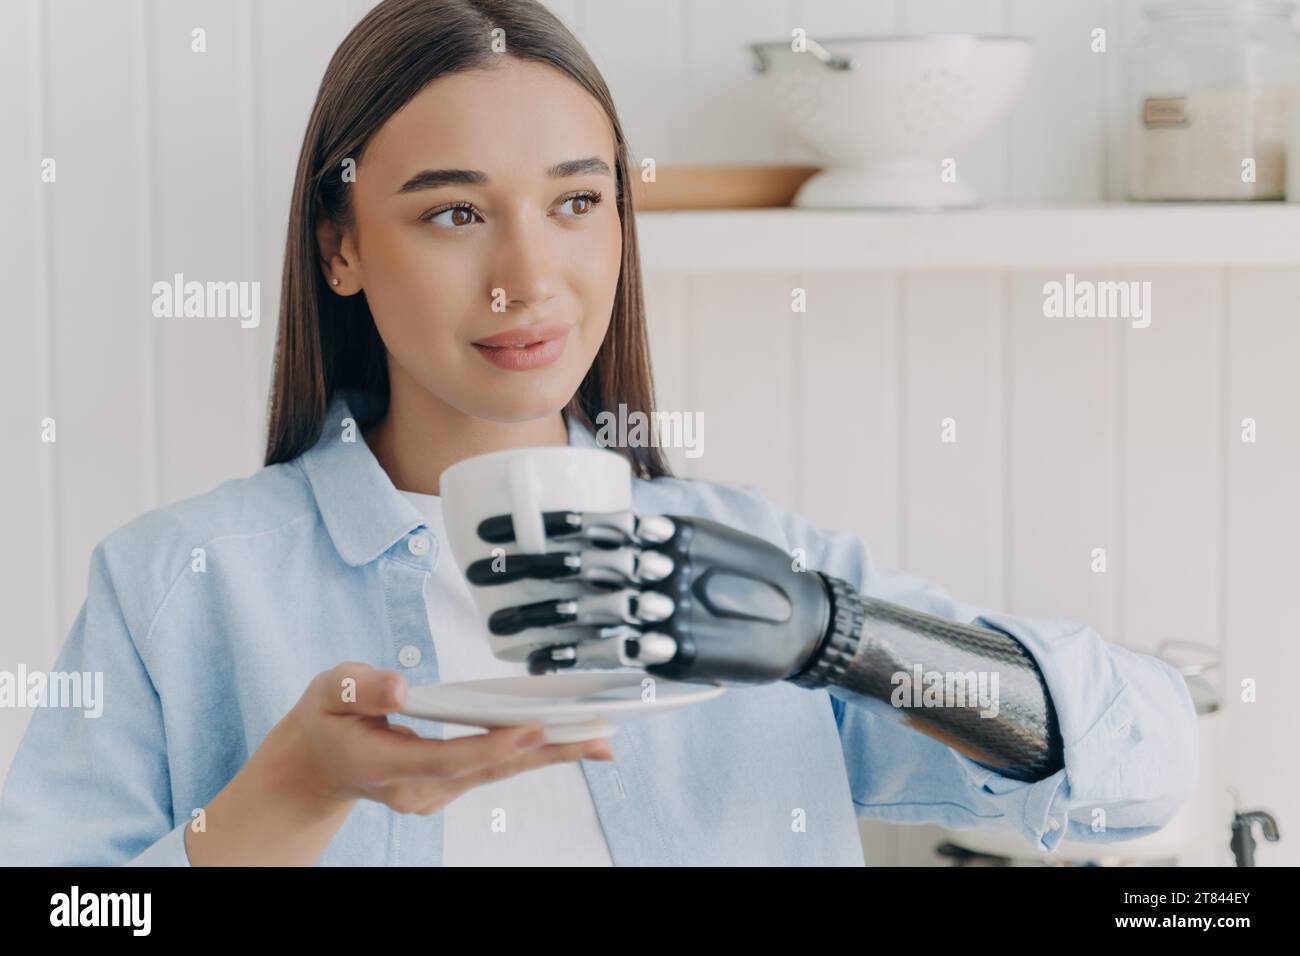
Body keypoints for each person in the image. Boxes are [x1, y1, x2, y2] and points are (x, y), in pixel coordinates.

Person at [0, 0, 1198, 866]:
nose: (531, 275)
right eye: (455, 212)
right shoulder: (181, 586)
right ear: (341, 245)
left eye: (578, 201)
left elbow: (1144, 770)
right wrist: (282, 795)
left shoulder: (747, 569)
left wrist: (841, 635)